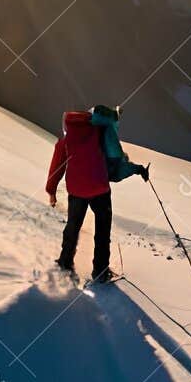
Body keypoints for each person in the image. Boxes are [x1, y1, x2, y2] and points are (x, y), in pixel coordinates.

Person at [46, 104, 148, 282]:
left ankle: (65, 263)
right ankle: (100, 272)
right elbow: (115, 161)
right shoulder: (100, 132)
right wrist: (137, 169)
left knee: (73, 226)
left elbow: (56, 167)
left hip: (76, 190)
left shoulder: (67, 139)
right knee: (102, 230)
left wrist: (51, 191)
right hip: (100, 188)